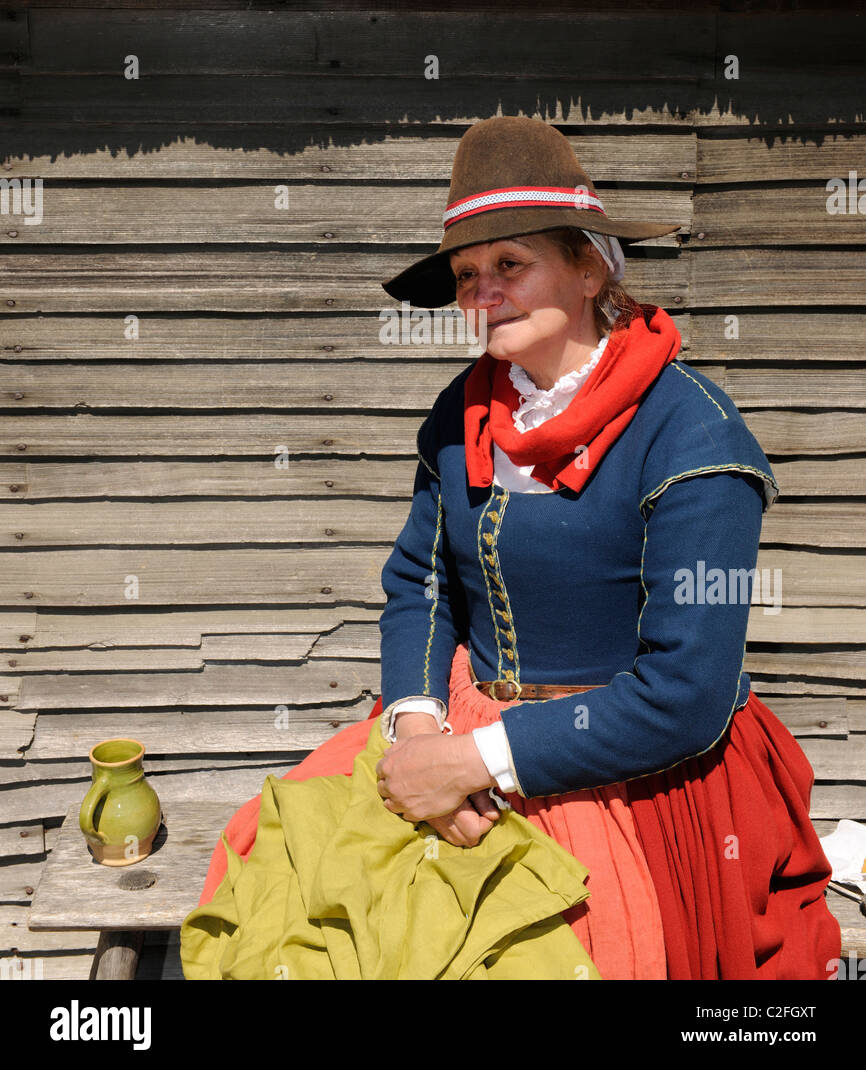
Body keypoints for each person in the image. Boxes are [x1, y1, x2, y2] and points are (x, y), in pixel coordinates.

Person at [191, 116, 840, 981]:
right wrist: (416, 732)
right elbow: (421, 584)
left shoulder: (695, 439)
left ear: (588, 266)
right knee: (293, 886)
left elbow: (687, 695)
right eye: (467, 273)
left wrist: (472, 763)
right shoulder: (464, 411)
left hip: (630, 771)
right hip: (458, 729)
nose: (481, 292)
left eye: (510, 264)